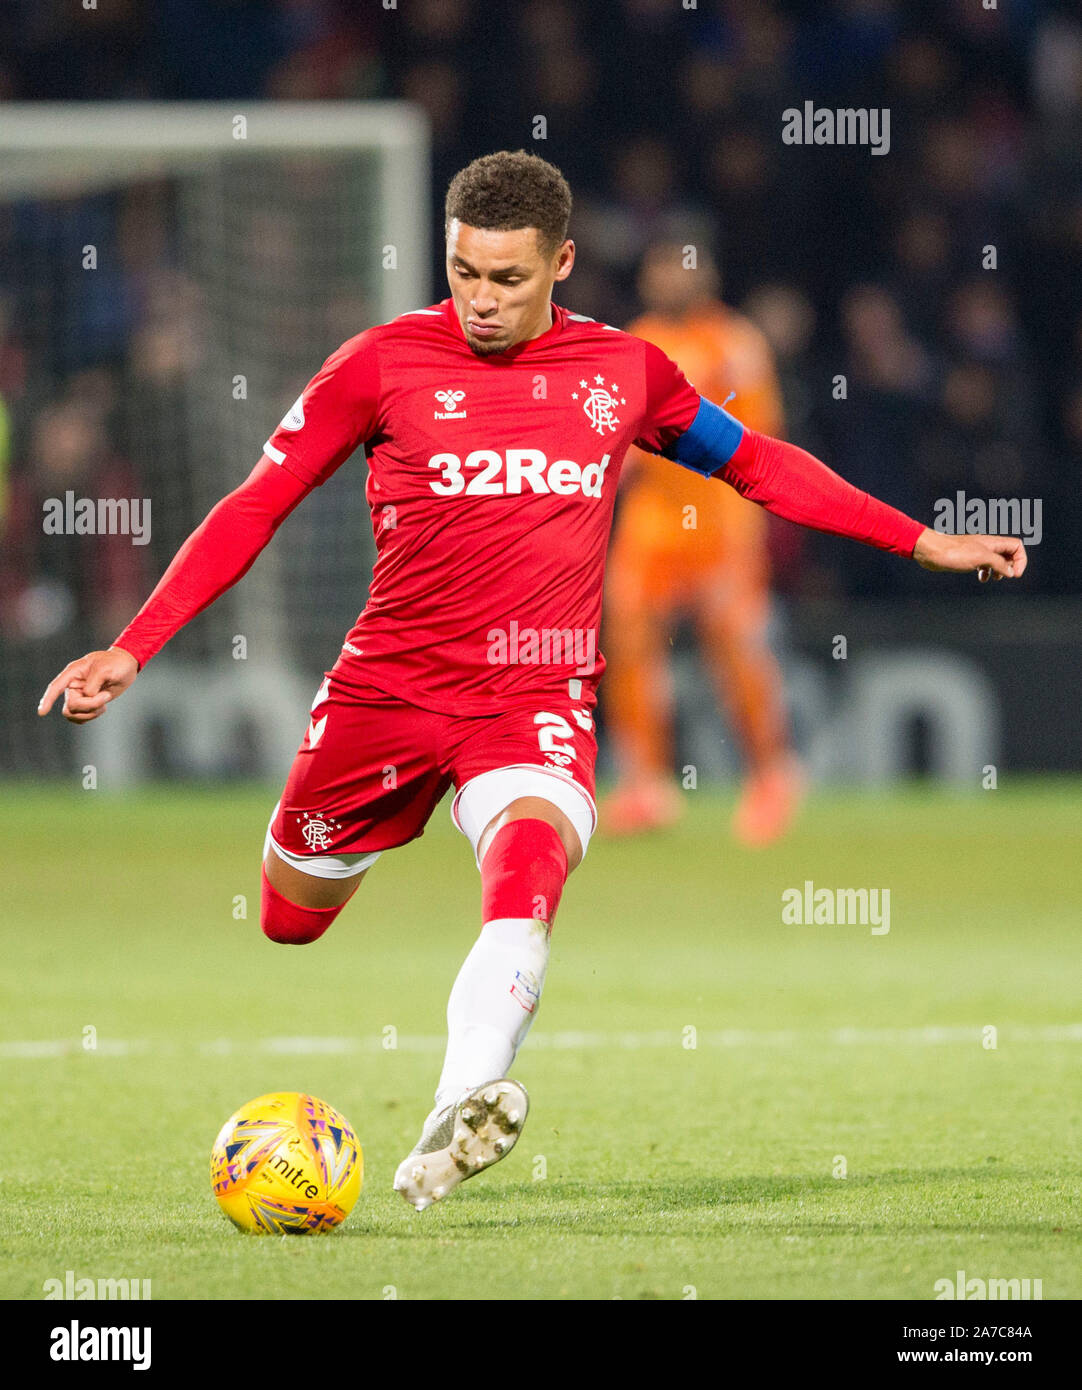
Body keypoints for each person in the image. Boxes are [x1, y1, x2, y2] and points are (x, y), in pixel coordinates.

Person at [37, 151, 1026, 1211]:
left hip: (534, 697)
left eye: (508, 279)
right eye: (464, 272)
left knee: (528, 865)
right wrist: (132, 646)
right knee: (291, 917)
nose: (483, 299)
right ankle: (406, 986)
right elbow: (251, 507)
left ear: (560, 263)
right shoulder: (378, 364)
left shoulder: (623, 374)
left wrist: (915, 538)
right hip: (386, 694)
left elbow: (758, 463)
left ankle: (460, 1109)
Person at [602, 241, 803, 844]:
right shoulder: (637, 340)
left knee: (738, 655)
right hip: (651, 529)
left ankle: (771, 777)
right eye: (654, 267)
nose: (663, 278)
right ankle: (644, 785)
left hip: (721, 527)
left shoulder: (735, 342)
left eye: (675, 266)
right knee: (629, 646)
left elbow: (760, 438)